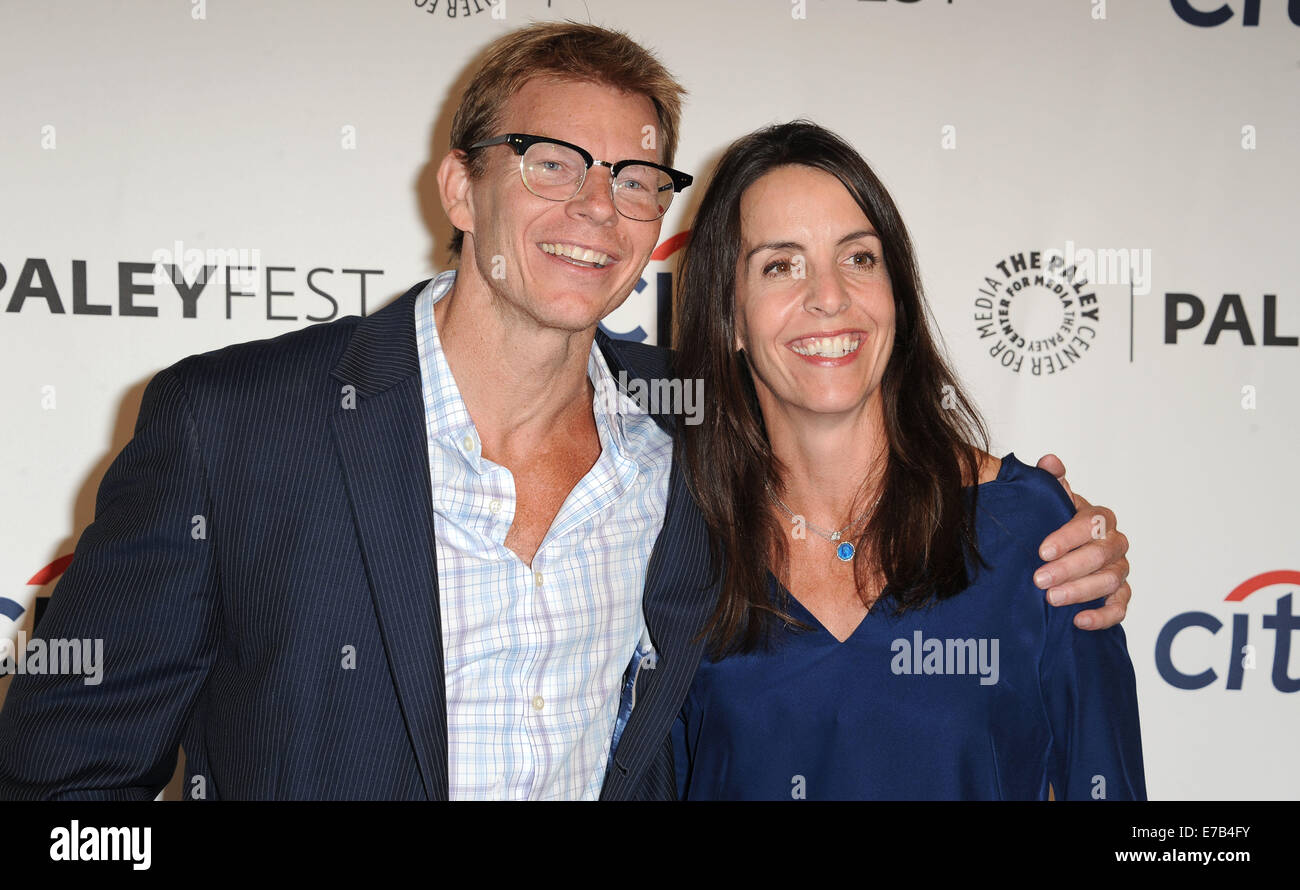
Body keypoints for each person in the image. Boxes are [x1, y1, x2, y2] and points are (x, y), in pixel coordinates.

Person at [0, 24, 1132, 801]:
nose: (596, 206)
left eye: (636, 179)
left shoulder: (685, 443)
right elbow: (59, 779)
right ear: (460, 187)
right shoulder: (233, 427)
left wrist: (1049, 517)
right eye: (551, 162)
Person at [670, 121, 1146, 800]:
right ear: (731, 318)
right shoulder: (682, 541)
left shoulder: (1035, 533)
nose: (828, 296)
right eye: (780, 264)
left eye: (859, 258)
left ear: (897, 294)